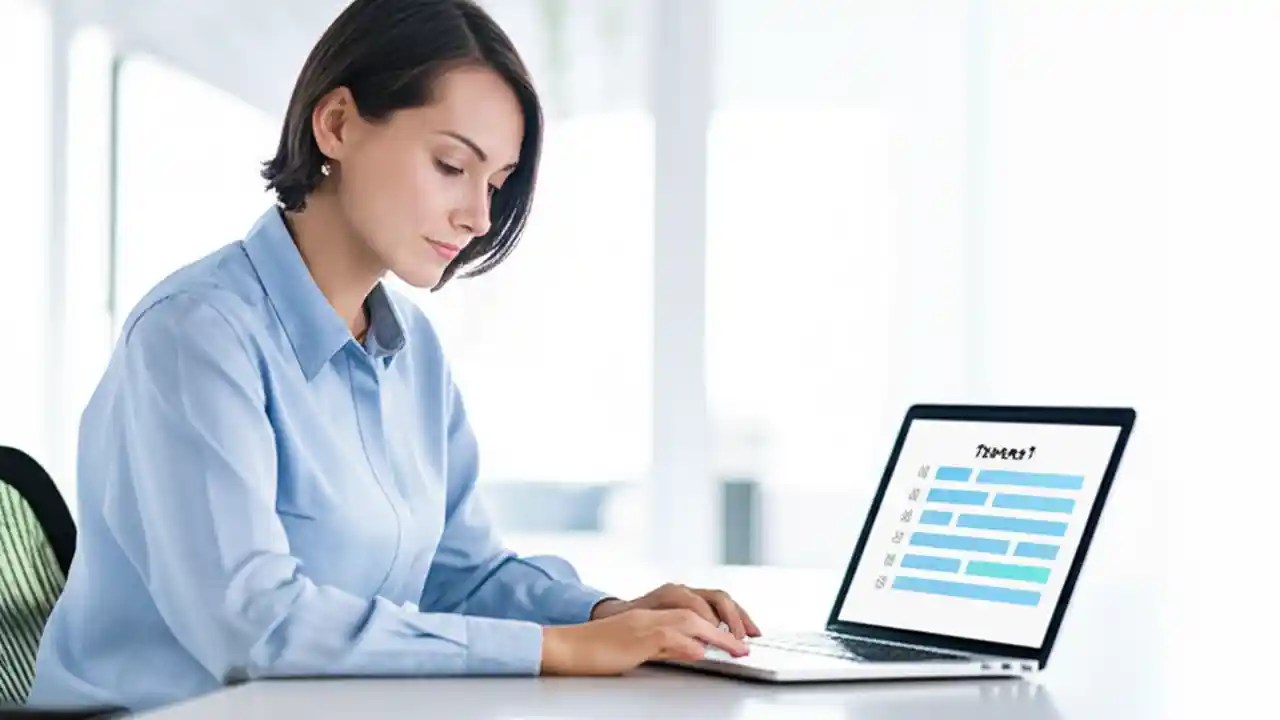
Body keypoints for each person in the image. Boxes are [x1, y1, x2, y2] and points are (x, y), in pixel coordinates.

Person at [28, 0, 758, 711]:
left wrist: (605, 614)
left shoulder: (411, 350)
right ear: (337, 124)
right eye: (451, 165)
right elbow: (253, 625)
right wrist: (553, 648)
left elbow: (459, 574)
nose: (477, 217)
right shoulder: (196, 334)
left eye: (496, 184)